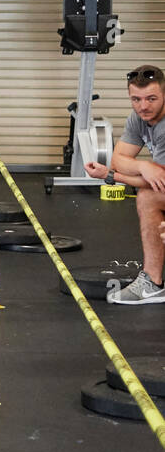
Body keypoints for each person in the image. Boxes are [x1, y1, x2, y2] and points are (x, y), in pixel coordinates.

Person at [86, 65, 165, 304]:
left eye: (151, 98)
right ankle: (152, 284)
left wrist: (111, 176)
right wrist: (143, 166)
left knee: (149, 194)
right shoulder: (139, 118)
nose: (143, 106)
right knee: (147, 196)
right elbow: (118, 160)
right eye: (136, 99)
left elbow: (159, 182)